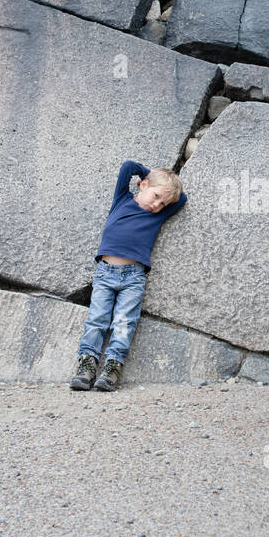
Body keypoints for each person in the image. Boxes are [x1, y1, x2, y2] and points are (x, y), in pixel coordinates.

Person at [69, 160, 187, 391]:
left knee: (124, 323)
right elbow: (126, 167)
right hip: (104, 274)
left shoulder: (156, 216)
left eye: (163, 203)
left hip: (133, 278)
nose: (157, 205)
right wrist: (149, 174)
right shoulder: (122, 200)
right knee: (97, 320)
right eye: (155, 196)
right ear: (142, 185)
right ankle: (87, 363)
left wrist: (164, 190)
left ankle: (113, 366)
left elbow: (181, 200)